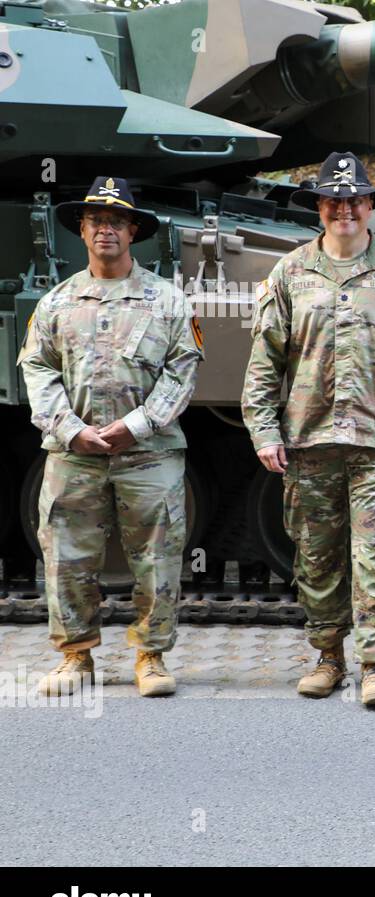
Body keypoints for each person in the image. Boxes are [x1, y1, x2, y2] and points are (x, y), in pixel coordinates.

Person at [242, 152, 375, 709]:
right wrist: (263, 430)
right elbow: (265, 363)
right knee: (317, 557)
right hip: (309, 443)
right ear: (320, 209)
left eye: (354, 200)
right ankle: (328, 656)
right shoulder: (290, 273)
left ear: (368, 207)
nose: (344, 209)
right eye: (334, 201)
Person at [20, 176, 202, 698]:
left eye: (117, 221)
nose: (106, 229)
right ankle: (75, 656)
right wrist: (71, 430)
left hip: (148, 451)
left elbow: (182, 371)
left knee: (158, 554)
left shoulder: (166, 301)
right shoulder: (56, 303)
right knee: (67, 554)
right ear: (82, 230)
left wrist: (137, 425)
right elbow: (37, 368)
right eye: (96, 220)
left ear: (132, 232)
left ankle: (152, 656)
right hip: (73, 453)